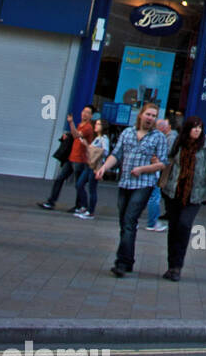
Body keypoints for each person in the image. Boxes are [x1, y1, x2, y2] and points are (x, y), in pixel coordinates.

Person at [95, 102, 168, 278]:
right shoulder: (127, 133)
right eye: (148, 114)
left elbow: (162, 164)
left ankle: (121, 263)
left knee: (129, 219)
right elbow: (116, 154)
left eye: (153, 116)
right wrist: (104, 168)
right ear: (140, 115)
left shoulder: (158, 137)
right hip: (125, 183)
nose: (150, 118)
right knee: (124, 222)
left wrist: (143, 169)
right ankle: (128, 260)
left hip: (144, 184)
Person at [159, 115, 206, 280]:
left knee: (184, 226)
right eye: (194, 127)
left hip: (195, 194)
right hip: (174, 191)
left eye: (200, 127)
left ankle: (177, 266)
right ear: (188, 129)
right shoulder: (179, 142)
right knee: (173, 228)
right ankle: (171, 265)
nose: (197, 130)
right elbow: (169, 161)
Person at [40, 107, 94, 211]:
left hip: (80, 160)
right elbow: (74, 136)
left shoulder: (88, 128)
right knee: (60, 179)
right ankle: (51, 201)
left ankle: (79, 206)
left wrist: (70, 123)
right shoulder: (80, 125)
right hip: (71, 158)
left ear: (91, 116)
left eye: (88, 113)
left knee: (79, 184)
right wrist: (68, 135)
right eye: (84, 111)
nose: (84, 114)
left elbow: (76, 135)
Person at [74, 117, 109, 219]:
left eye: (98, 124)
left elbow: (105, 151)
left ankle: (90, 211)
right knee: (79, 184)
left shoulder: (104, 139)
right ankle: (84, 206)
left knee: (92, 188)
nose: (96, 126)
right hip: (90, 165)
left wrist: (90, 148)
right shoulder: (97, 138)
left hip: (95, 166)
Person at [144, 119, 173, 232]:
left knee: (147, 196)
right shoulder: (159, 138)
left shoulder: (148, 137)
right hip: (153, 171)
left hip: (148, 171)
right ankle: (152, 222)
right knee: (154, 197)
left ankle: (133, 220)